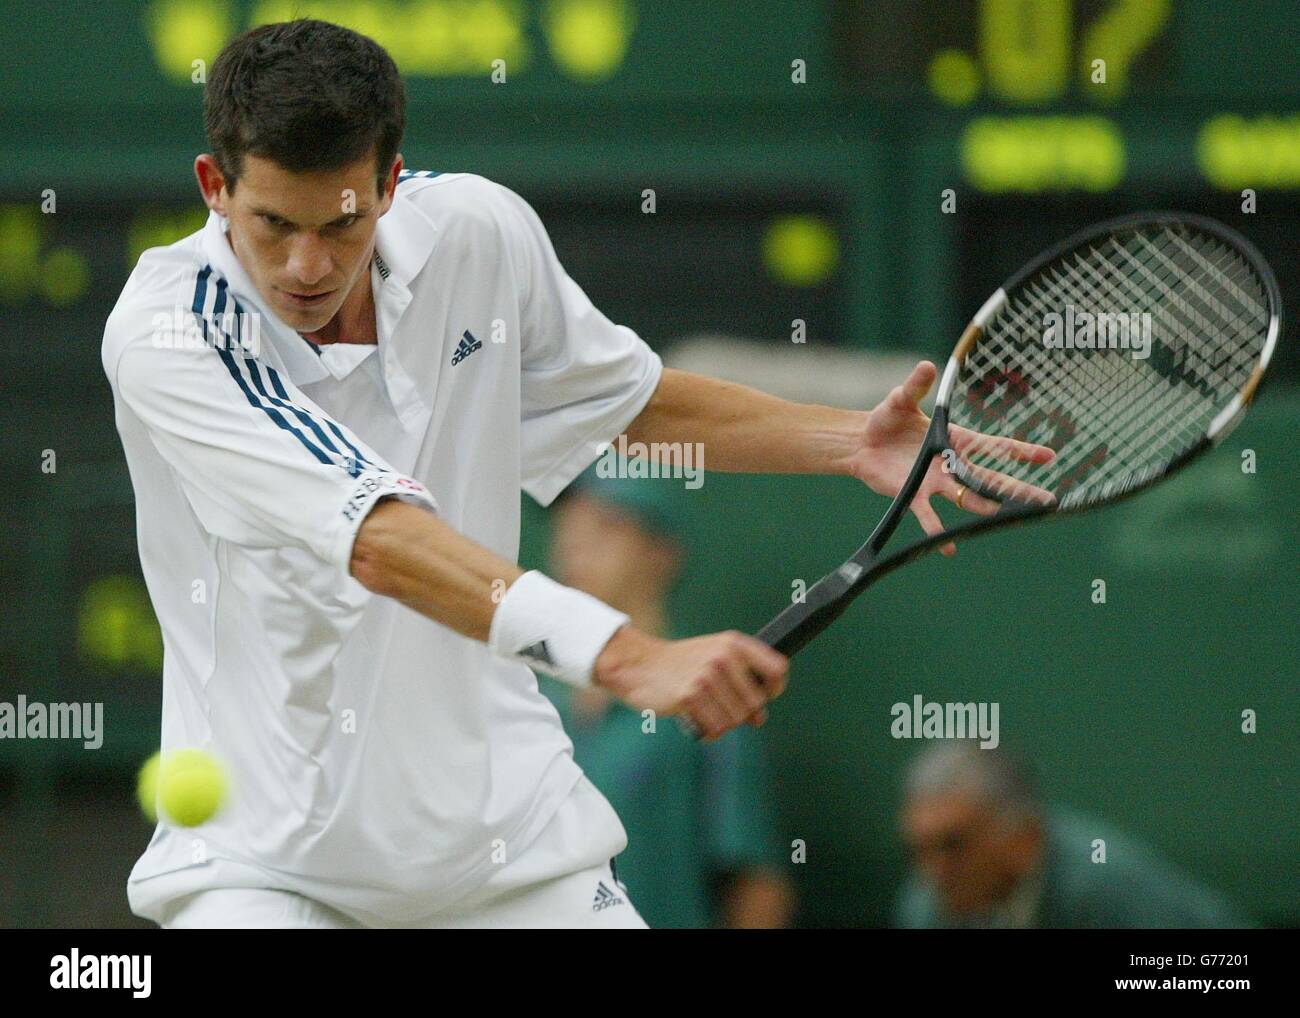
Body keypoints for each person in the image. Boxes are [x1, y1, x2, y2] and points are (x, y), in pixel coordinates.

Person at [103, 19, 1049, 928]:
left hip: (506, 839)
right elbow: (380, 540)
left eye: (340, 225)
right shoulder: (172, 334)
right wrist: (633, 657)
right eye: (274, 225)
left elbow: (626, 400)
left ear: (390, 183)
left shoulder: (480, 234)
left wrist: (847, 440)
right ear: (213, 187)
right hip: (267, 868)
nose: (308, 265)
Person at [543, 468, 795, 928]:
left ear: (661, 553)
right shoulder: (528, 702)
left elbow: (755, 884)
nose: (576, 543)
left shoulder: (708, 696)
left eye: (607, 525)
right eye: (569, 524)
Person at [894, 742, 1250, 929]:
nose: (933, 871)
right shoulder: (927, 907)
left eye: (954, 845)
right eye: (919, 850)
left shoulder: (1108, 888)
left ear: (1024, 838)